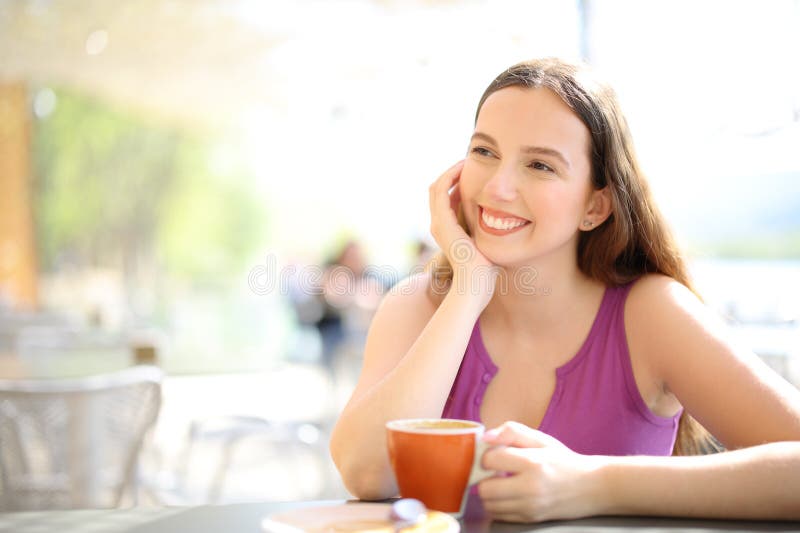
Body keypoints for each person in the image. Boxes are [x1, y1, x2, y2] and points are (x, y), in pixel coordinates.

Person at [329, 58, 800, 522]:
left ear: (595, 206)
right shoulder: (418, 306)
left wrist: (593, 484)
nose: (498, 187)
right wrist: (467, 290)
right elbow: (366, 475)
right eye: (484, 152)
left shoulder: (653, 314)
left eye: (540, 165)